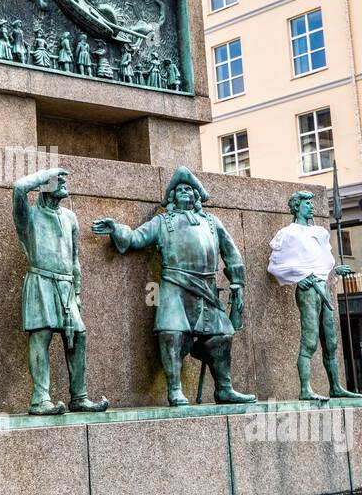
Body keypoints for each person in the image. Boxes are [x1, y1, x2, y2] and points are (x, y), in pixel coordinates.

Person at [94, 167, 252, 406]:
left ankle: (224, 388)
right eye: (179, 190)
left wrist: (237, 282)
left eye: (189, 189)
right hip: (174, 286)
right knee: (171, 334)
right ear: (172, 197)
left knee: (223, 334)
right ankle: (175, 389)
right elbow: (136, 238)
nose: (184, 193)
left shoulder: (211, 222)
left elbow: (232, 253)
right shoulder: (161, 222)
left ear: (197, 196)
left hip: (206, 288)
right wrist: (117, 228)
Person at [12, 168, 109, 415]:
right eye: (57, 180)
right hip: (41, 281)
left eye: (63, 178)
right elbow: (18, 188)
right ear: (44, 185)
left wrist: (77, 292)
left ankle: (79, 397)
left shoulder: (69, 217)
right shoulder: (29, 216)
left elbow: (75, 258)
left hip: (66, 286)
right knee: (41, 336)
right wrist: (47, 172)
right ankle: (40, 399)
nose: (63, 181)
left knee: (79, 336)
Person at [267, 190, 362, 401]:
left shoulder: (320, 232)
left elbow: (322, 262)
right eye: (307, 203)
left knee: (331, 341)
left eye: (312, 203)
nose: (311, 206)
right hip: (308, 290)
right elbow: (274, 267)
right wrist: (299, 278)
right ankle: (305, 389)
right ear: (296, 207)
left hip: (323, 287)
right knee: (310, 341)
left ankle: (335, 386)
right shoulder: (288, 233)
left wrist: (336, 270)